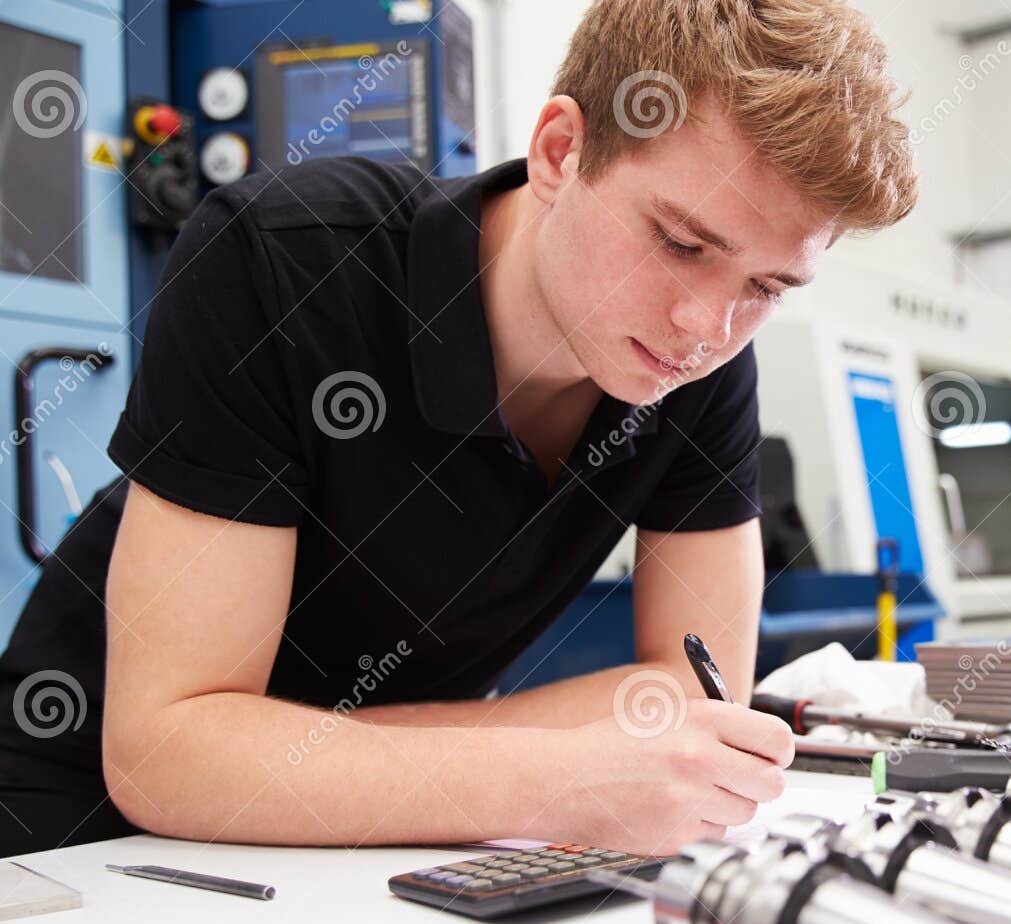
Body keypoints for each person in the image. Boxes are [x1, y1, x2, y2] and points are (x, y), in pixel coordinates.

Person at [0, 0, 917, 857]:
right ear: (561, 150)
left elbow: (684, 692)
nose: (705, 328)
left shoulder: (704, 373)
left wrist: (329, 760)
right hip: (83, 838)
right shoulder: (282, 264)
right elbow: (169, 752)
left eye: (765, 287)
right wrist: (551, 773)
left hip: (379, 842)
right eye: (680, 243)